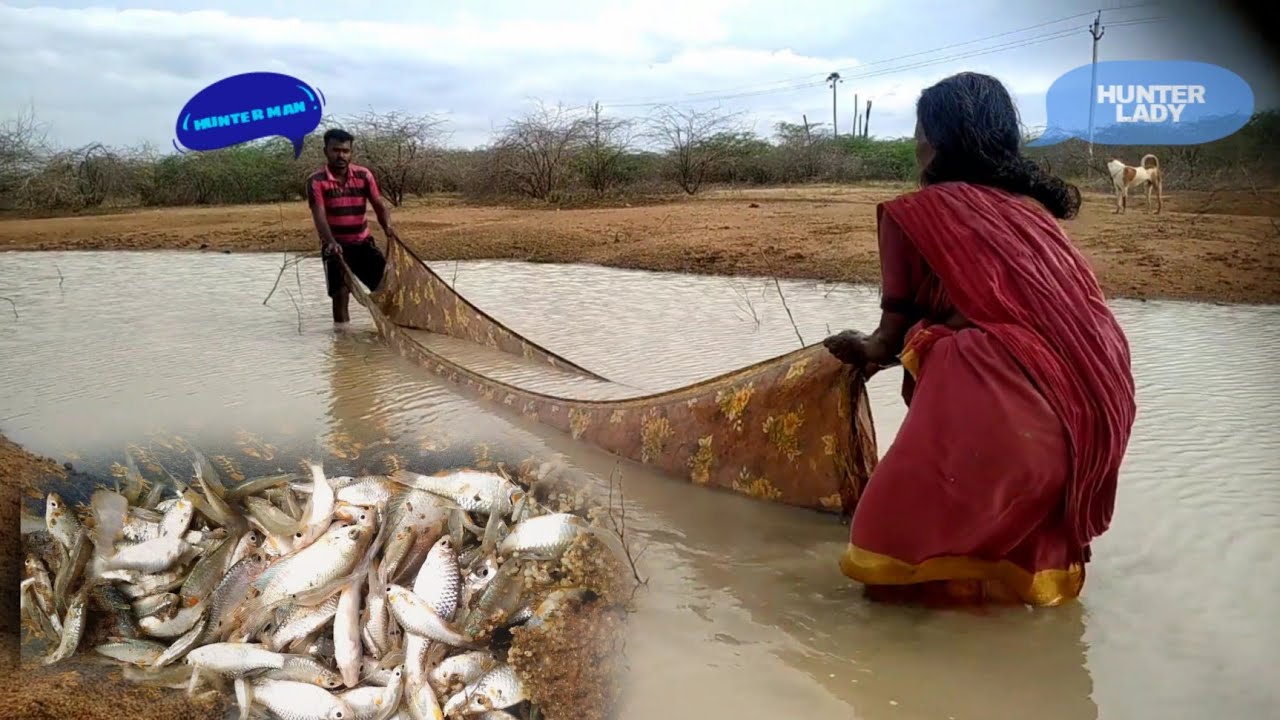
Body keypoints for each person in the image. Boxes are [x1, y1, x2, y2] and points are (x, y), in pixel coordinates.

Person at [823, 72, 1137, 608]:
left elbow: (885, 341)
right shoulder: (1033, 214)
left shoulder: (916, 215)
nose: (916, 143)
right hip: (1089, 416)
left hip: (998, 415)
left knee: (886, 557)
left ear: (936, 139)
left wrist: (859, 349)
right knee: (1002, 581)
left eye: (920, 130)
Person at [306, 128, 400, 324]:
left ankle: (392, 329)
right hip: (335, 247)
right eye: (336, 150)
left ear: (351, 153)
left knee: (386, 289)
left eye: (345, 151)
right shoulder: (316, 181)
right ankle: (343, 337)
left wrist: (388, 228)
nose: (341, 155)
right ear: (326, 151)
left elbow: (379, 204)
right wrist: (330, 242)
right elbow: (319, 215)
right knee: (340, 296)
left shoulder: (364, 175)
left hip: (362, 244)